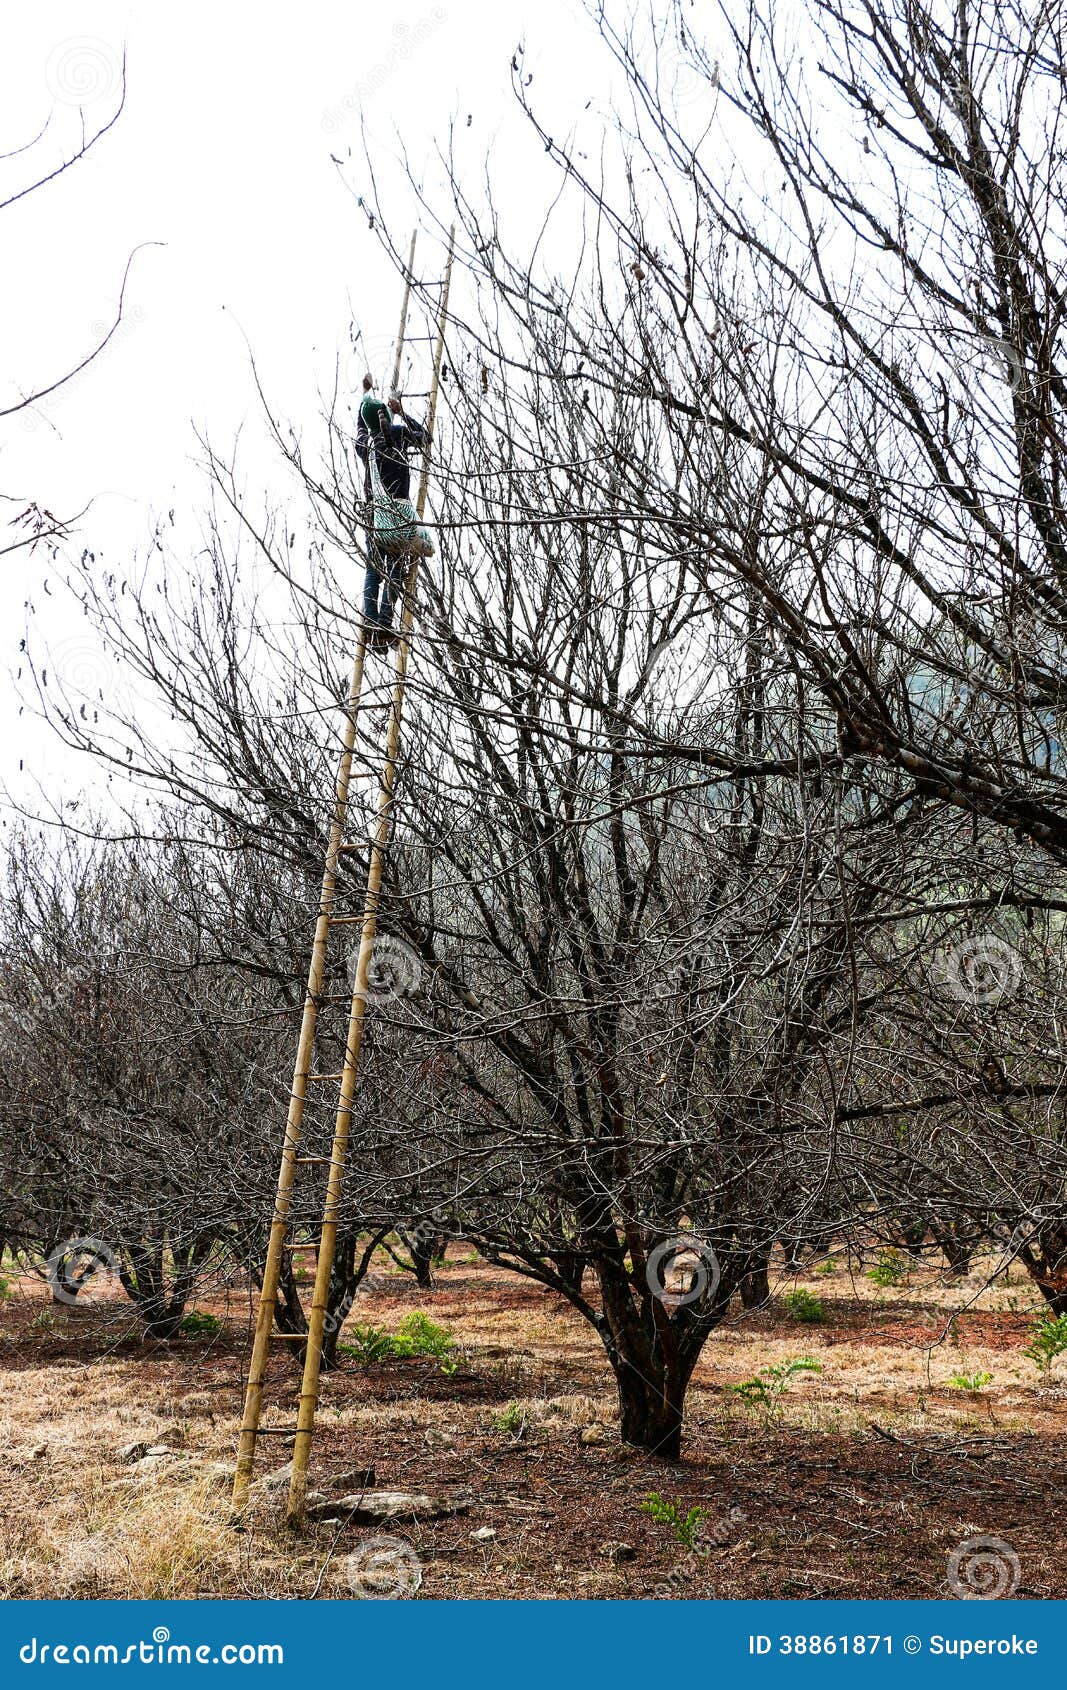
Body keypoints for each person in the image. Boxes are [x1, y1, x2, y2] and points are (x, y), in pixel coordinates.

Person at [355, 375, 431, 646]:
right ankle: (385, 623)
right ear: (386, 417)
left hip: (374, 518)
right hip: (398, 517)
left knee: (373, 570)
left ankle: (370, 622)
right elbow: (424, 438)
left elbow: (361, 427)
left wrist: (364, 394)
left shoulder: (365, 445)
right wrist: (402, 413)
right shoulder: (397, 435)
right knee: (397, 566)